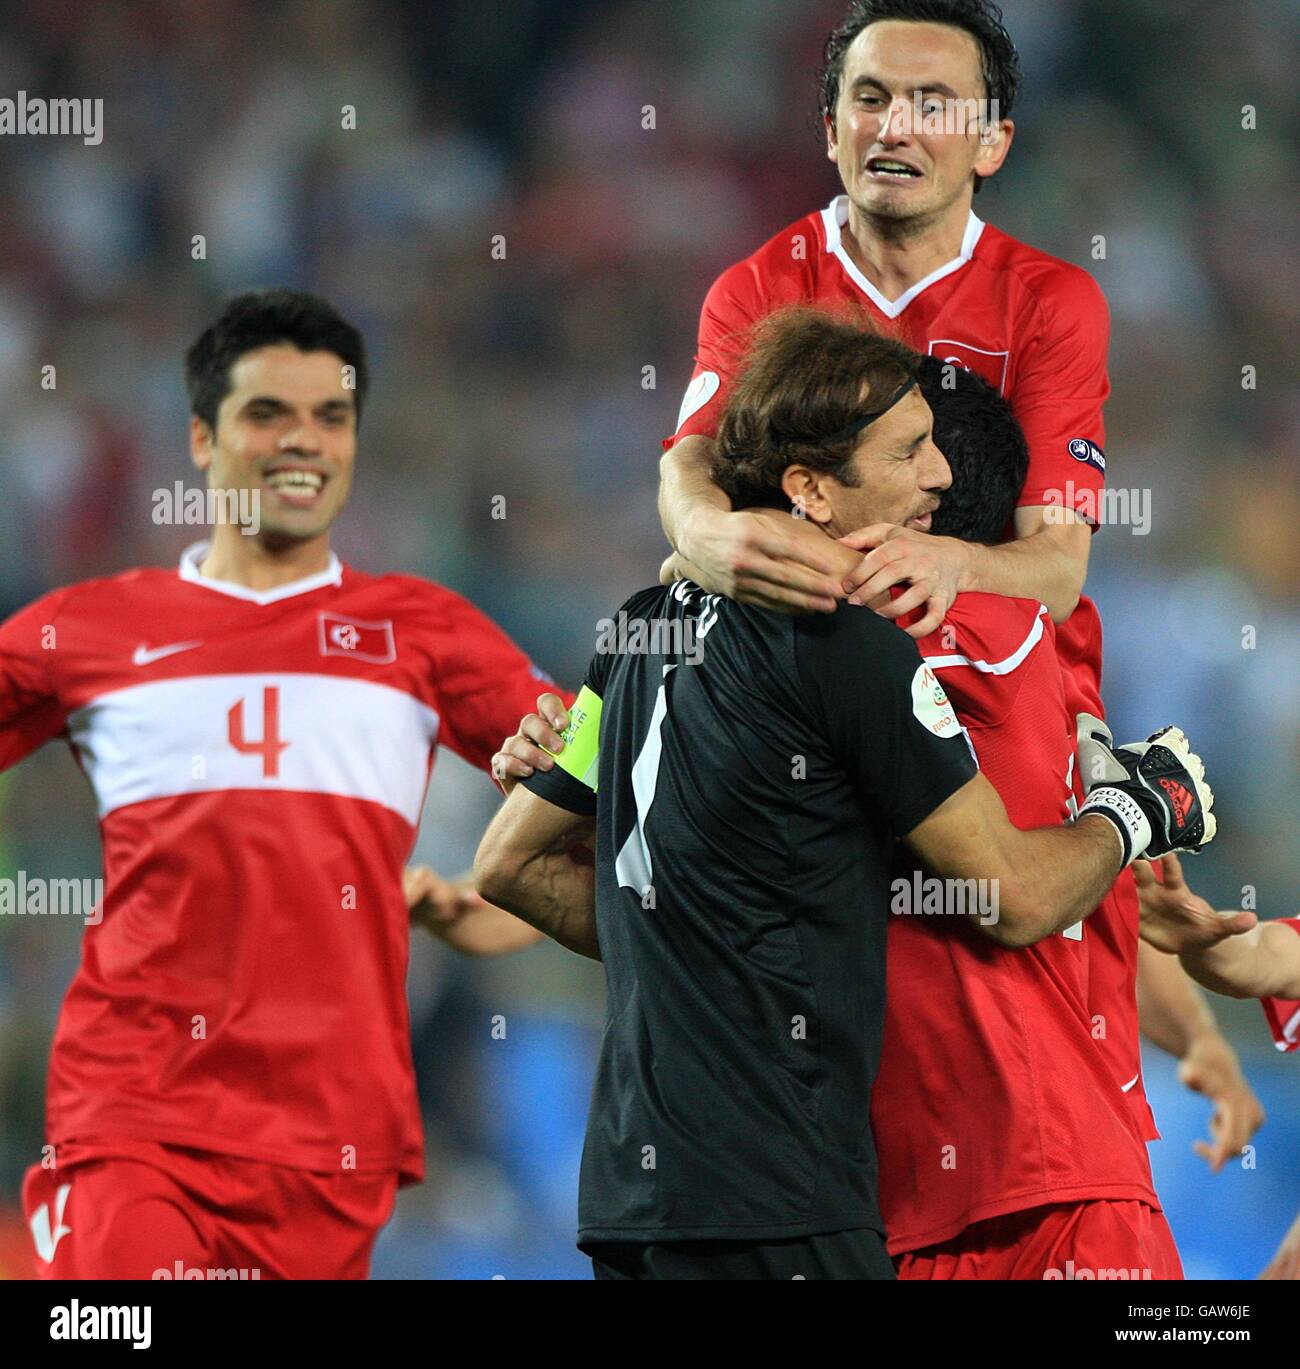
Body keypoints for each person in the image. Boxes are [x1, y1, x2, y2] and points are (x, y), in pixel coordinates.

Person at [474, 314, 1215, 1280]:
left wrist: (701, 948)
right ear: (812, 490)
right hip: (790, 1194)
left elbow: (506, 863)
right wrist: (1139, 809)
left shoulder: (636, 629)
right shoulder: (855, 640)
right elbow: (1017, 894)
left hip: (628, 1199)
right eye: (907, 453)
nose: (937, 476)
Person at [653, 0, 1257, 1164]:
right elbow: (687, 468)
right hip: (827, 698)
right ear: (829, 127)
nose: (896, 125)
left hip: (1012, 706)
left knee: (1040, 1021)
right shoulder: (759, 286)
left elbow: (1056, 566)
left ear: (992, 141)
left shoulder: (1048, 301)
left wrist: (950, 561)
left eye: (934, 103)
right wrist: (706, 535)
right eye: (870, 97)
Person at [9, 289, 553, 1281]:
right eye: (267, 413)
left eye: (330, 416)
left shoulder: (426, 632)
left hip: (332, 1146)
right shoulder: (86, 629)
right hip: (134, 1116)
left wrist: (500, 905)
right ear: (202, 438)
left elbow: (596, 786)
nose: (304, 440)